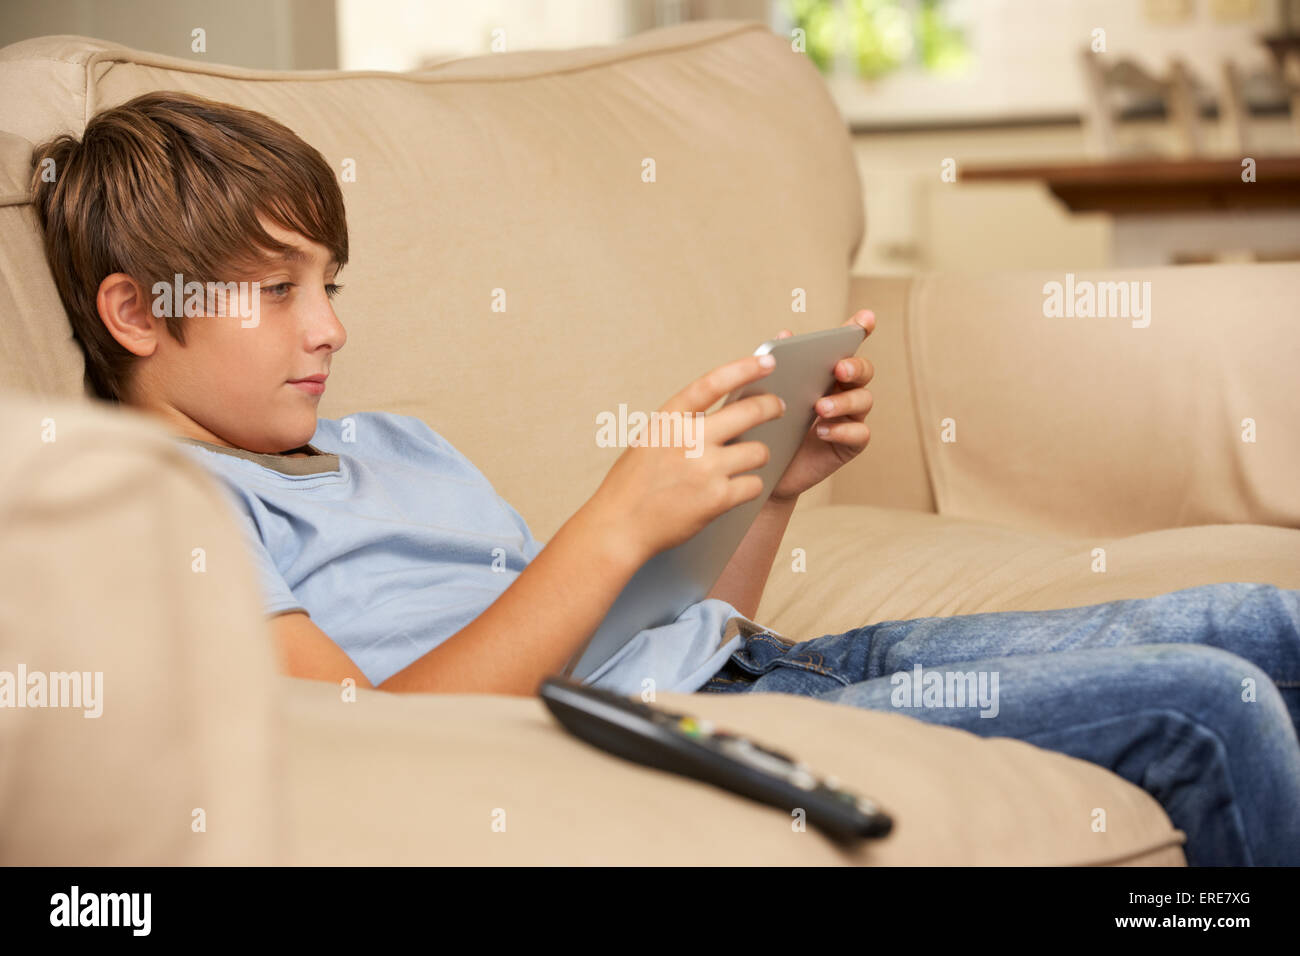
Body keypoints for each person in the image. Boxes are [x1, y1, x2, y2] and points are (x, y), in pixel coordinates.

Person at [30, 90, 1300, 866]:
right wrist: (606, 519)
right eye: (276, 293)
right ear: (139, 314)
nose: (329, 330)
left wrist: (770, 492)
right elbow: (381, 729)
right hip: (693, 731)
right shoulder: (174, 506)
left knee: (1264, 615)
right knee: (1213, 704)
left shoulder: (397, 448)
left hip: (760, 664)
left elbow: (653, 629)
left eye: (331, 287)